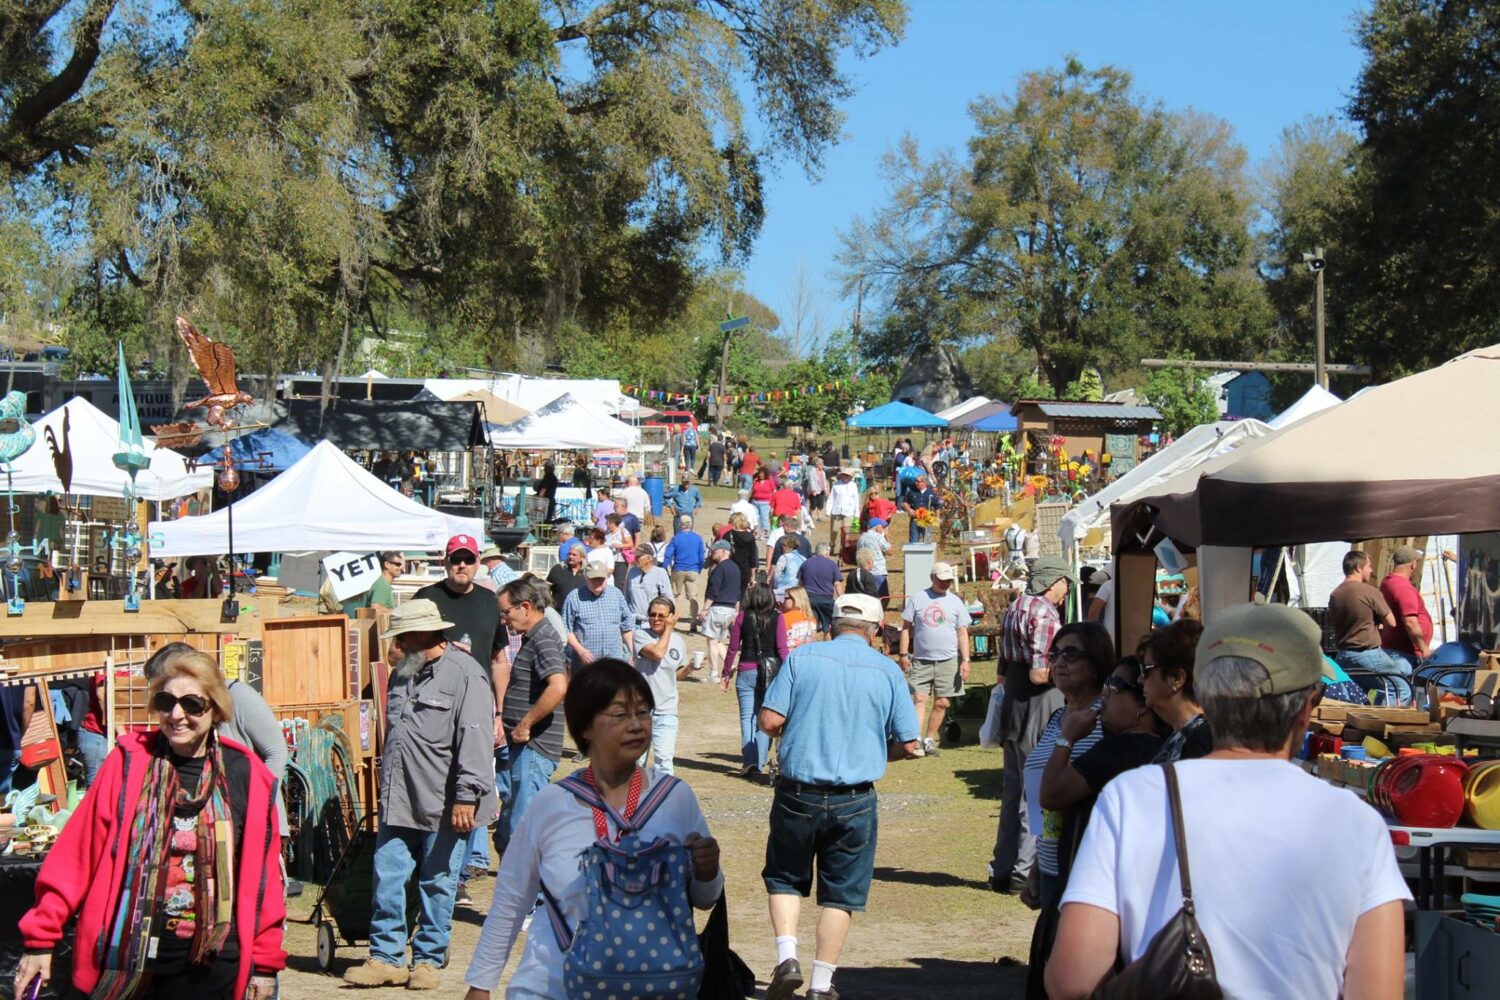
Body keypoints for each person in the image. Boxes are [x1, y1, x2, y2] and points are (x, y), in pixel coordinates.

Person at [1047, 602, 1410, 1000]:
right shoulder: (1357, 823)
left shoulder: (1131, 798)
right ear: (1308, 707)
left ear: (1204, 691)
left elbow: (1072, 980)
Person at [17, 652, 287, 1000]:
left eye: (192, 704)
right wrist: (41, 938)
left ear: (216, 708)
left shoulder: (245, 773)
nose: (177, 715)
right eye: (166, 702)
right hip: (125, 956)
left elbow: (262, 877)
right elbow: (76, 856)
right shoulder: (129, 764)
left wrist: (265, 965)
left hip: (211, 964)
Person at [463, 660, 723, 1000]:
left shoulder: (674, 799)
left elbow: (706, 899)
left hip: (653, 987)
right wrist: (481, 986)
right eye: (620, 714)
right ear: (585, 727)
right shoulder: (551, 805)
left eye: (643, 713)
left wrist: (707, 871)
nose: (636, 725)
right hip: (552, 986)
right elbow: (511, 901)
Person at [758, 592, 919, 1000]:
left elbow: (769, 720)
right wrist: (874, 751)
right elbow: (909, 742)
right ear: (877, 629)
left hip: (798, 791)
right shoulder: (888, 671)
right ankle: (820, 983)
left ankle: (787, 956)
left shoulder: (803, 658)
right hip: (855, 797)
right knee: (841, 893)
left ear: (831, 624)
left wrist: (795, 731)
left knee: (785, 877)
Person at [344, 600, 498, 989]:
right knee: (389, 875)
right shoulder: (402, 673)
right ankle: (386, 957)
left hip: (446, 801)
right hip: (399, 796)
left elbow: (476, 738)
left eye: (402, 637)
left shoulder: (467, 674)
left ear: (423, 635)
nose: (396, 645)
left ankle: (428, 960)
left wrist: (467, 795)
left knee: (438, 880)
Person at [1018, 623, 1112, 999]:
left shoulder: (1104, 722)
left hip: (1085, 866)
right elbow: (1047, 800)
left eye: (1071, 654)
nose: (1059, 662)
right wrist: (1039, 864)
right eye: (1054, 654)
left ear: (1097, 661)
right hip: (1054, 863)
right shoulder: (1059, 718)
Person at [142, 642, 292, 851]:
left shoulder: (238, 695)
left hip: (252, 819)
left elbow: (276, 752)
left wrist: (257, 802)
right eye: (165, 698)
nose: (175, 710)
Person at [989, 556, 1073, 894]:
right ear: (1054, 583)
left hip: (1014, 700)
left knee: (1013, 792)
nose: (1068, 590)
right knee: (1036, 791)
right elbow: (1041, 673)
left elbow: (1002, 669)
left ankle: (1002, 869)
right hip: (1040, 703)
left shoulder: (1016, 606)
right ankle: (1025, 871)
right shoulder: (1045, 614)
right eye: (1067, 583)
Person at [492, 578, 568, 856]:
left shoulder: (544, 638)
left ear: (525, 606)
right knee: (513, 819)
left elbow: (558, 685)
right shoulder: (535, 637)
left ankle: (532, 896)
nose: (504, 620)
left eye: (506, 612)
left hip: (534, 748)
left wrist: (526, 724)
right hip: (524, 747)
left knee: (524, 827)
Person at [898, 561, 972, 758]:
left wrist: (965, 659)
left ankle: (929, 739)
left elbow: (962, 632)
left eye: (948, 580)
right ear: (932, 578)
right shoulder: (918, 598)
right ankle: (915, 741)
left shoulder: (955, 601)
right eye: (942, 580)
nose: (945, 584)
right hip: (922, 659)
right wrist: (904, 655)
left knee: (943, 702)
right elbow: (906, 628)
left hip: (948, 660)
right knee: (919, 699)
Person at [722, 583, 789, 780]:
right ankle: (759, 763)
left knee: (746, 718)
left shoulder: (742, 617)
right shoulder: (778, 617)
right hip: (770, 673)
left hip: (746, 670)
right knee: (763, 719)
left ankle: (749, 761)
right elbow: (782, 648)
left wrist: (726, 672)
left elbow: (733, 648)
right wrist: (791, 671)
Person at [1139, 619, 1214, 763]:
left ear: (1176, 678)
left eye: (1146, 670)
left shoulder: (1202, 738)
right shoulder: (1188, 734)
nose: (1140, 679)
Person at [633, 597, 690, 773]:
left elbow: (677, 675)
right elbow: (657, 653)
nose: (656, 619)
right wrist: (669, 628)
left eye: (661, 616)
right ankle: (633, 799)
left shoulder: (678, 641)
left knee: (664, 761)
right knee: (636, 761)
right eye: (652, 615)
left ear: (671, 616)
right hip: (641, 710)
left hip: (667, 710)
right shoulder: (641, 635)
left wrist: (690, 668)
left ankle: (664, 799)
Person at [1329, 549, 1400, 680]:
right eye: (1369, 566)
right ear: (1358, 568)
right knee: (1401, 687)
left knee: (1359, 695)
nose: (1371, 570)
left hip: (1343, 656)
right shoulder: (1368, 591)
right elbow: (1392, 622)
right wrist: (1379, 634)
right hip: (1367, 654)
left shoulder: (1335, 594)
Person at [561, 557, 636, 667]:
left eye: (601, 578)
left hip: (613, 662)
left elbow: (627, 626)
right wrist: (581, 651)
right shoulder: (574, 597)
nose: (598, 582)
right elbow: (566, 629)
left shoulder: (616, 595)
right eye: (594, 579)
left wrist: (632, 652)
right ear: (586, 578)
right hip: (586, 664)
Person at [1380, 544, 1433, 673]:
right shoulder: (1403, 587)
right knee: (1403, 691)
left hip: (1395, 651)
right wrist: (1424, 649)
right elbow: (1410, 622)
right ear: (1413, 564)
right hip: (1403, 655)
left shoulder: (1388, 582)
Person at [702, 540, 743, 682]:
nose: (713, 552)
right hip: (730, 609)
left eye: (715, 550)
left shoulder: (719, 569)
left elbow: (713, 590)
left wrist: (705, 609)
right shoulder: (736, 568)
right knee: (718, 640)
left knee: (712, 641)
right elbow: (738, 592)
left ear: (724, 552)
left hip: (717, 608)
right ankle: (730, 666)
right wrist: (737, 611)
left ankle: (713, 674)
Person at [662, 515, 706, 627]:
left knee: (674, 596)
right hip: (693, 569)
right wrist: (699, 568)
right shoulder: (698, 538)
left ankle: (671, 620)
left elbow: (668, 554)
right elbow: (701, 556)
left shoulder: (676, 538)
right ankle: (693, 622)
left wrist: (664, 568)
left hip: (678, 569)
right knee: (693, 597)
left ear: (680, 525)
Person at [0, 680, 38, 796]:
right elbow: (29, 703)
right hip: (10, 741)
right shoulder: (25, 665)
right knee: (3, 798)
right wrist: (20, 734)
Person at [797, 542, 843, 633]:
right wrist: (842, 599)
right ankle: (827, 646)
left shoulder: (806, 564)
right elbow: (837, 584)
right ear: (826, 552)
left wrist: (800, 600)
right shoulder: (832, 565)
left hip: (809, 599)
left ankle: (811, 645)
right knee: (828, 628)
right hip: (826, 600)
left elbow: (800, 584)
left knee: (810, 627)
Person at [626, 543, 674, 624]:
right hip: (633, 621)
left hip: (652, 621)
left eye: (639, 557)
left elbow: (668, 597)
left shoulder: (660, 573)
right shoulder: (631, 572)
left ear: (649, 558)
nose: (635, 558)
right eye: (635, 556)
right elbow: (627, 596)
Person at [344, 550, 401, 617]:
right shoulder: (382, 585)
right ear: (387, 565)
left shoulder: (383, 584)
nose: (401, 567)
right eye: (398, 564)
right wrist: (395, 612)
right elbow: (375, 609)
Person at [899, 472, 941, 544]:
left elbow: (937, 506)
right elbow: (904, 502)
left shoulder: (931, 493)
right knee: (913, 541)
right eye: (916, 481)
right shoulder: (911, 492)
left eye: (919, 481)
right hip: (915, 519)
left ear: (924, 482)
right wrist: (908, 510)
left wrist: (937, 517)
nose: (917, 483)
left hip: (927, 520)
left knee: (928, 541)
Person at [727, 511, 761, 593]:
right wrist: (753, 576)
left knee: (730, 592)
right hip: (745, 569)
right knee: (741, 594)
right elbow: (753, 557)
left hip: (730, 567)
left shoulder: (729, 535)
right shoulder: (750, 537)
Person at [855, 518, 891, 595]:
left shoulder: (861, 538)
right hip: (877, 571)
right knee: (883, 597)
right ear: (877, 527)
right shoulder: (879, 537)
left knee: (867, 596)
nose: (884, 528)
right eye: (883, 526)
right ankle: (880, 607)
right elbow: (890, 551)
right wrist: (886, 536)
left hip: (864, 572)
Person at [547, 541, 587, 609]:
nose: (570, 557)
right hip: (559, 612)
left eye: (574, 555)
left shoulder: (587, 572)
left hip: (581, 612)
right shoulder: (558, 569)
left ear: (582, 558)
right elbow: (546, 588)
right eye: (569, 554)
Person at [827, 468, 860, 548]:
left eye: (847, 475)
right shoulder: (836, 485)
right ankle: (832, 544)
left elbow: (856, 500)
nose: (845, 477)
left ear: (850, 477)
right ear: (841, 476)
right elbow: (831, 498)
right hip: (837, 511)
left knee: (847, 532)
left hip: (849, 512)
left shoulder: (853, 486)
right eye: (844, 475)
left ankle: (845, 548)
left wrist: (857, 514)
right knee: (834, 530)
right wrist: (828, 511)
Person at [781, 587, 820, 651]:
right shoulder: (811, 617)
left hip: (790, 655)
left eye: (786, 598)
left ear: (795, 599)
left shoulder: (783, 618)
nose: (783, 601)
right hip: (808, 653)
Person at [771, 534, 808, 603]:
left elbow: (776, 575)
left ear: (788, 546)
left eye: (783, 545)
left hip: (785, 591)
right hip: (799, 592)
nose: (782, 547)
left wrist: (775, 587)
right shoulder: (804, 559)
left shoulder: (784, 557)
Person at [751, 467, 776, 534]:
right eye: (759, 473)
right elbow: (753, 491)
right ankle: (756, 530)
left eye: (762, 473)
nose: (760, 475)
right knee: (755, 517)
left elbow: (774, 491)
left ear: (765, 474)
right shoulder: (756, 481)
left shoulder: (769, 482)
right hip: (755, 502)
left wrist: (773, 502)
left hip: (765, 503)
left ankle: (765, 531)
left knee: (764, 517)